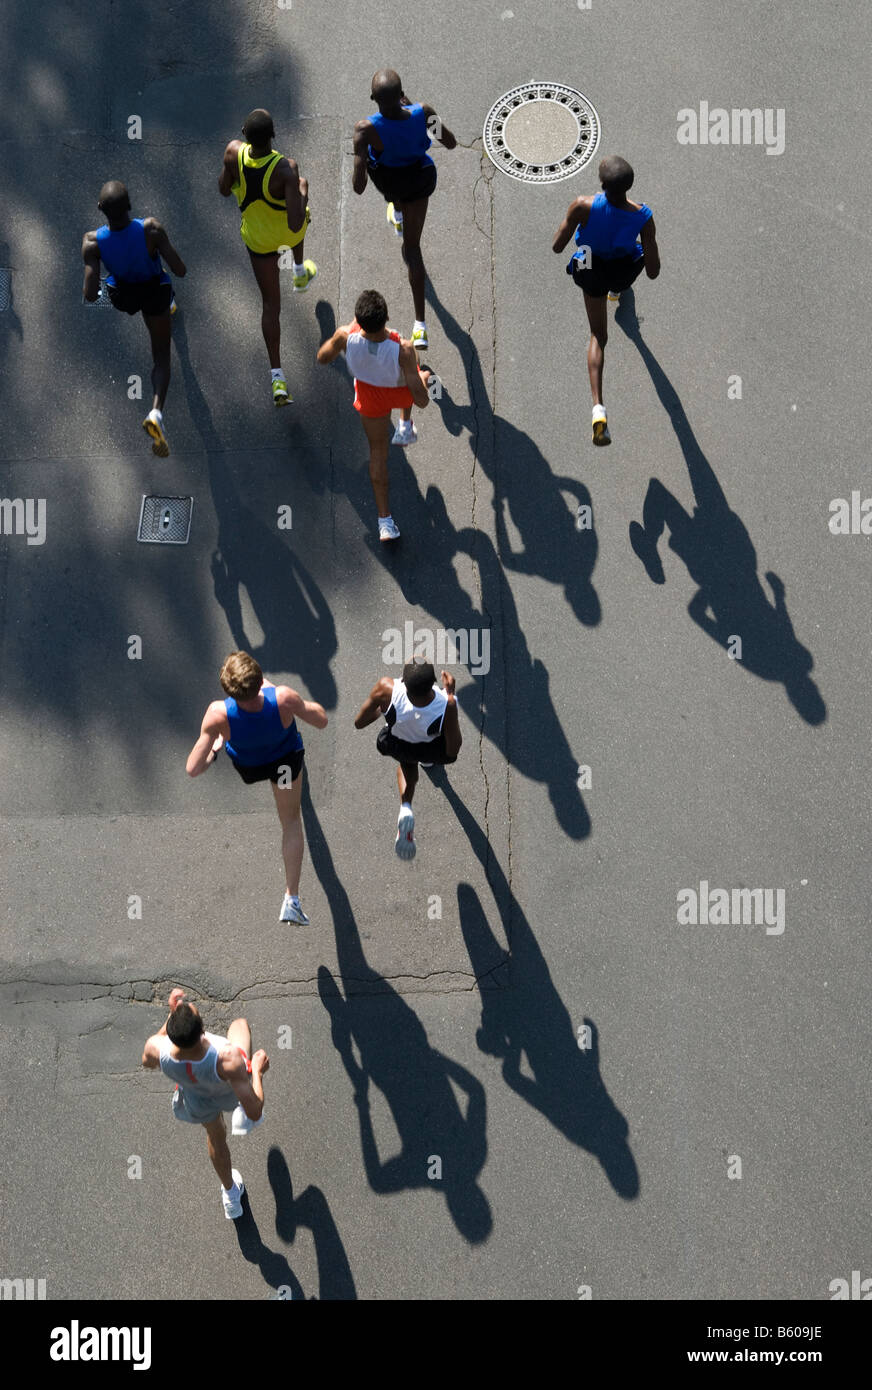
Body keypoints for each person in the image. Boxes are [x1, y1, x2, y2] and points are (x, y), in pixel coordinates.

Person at [186, 650, 328, 924]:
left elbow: (193, 768)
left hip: (251, 767)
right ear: (260, 678)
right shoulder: (283, 698)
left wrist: (214, 750)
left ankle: (293, 900)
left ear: (229, 689)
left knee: (287, 815)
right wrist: (278, 694)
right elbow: (321, 719)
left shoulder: (217, 714)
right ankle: (292, 899)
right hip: (284, 765)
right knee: (290, 821)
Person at [552, 156, 660, 445]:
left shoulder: (582, 205)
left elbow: (556, 246)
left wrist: (577, 225)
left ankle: (598, 409)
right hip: (621, 269)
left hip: (590, 269)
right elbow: (652, 271)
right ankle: (618, 291)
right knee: (625, 270)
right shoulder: (643, 216)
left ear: (601, 184)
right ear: (629, 185)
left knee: (598, 335)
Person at [141, 988, 269, 1221]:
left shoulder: (155, 1049)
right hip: (226, 1092)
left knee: (215, 1137)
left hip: (196, 1099)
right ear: (202, 1030)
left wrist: (172, 1016)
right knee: (239, 1025)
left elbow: (147, 1061)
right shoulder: (227, 1059)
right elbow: (256, 1110)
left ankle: (231, 1196)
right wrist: (258, 1071)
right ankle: (241, 1099)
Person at [218, 108, 316, 407]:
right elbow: (296, 222)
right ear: (273, 136)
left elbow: (223, 190)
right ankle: (299, 270)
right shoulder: (286, 169)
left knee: (271, 305)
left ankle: (277, 378)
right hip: (287, 237)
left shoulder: (233, 152)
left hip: (259, 242)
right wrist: (302, 189)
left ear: (245, 134)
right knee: (300, 227)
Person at [352, 69, 456, 350]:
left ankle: (396, 211)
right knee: (412, 249)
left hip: (390, 181)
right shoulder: (422, 112)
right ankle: (420, 326)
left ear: (373, 98)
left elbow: (359, 186)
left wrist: (359, 157)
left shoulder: (366, 128)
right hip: (419, 181)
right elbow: (450, 142)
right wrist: (412, 111)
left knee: (392, 189)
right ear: (401, 95)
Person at [317, 289, 431, 542]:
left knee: (378, 452)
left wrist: (342, 334)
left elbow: (322, 358)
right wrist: (424, 383)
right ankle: (404, 426)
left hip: (370, 397)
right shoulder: (403, 349)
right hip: (398, 392)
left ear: (359, 320)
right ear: (387, 317)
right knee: (419, 373)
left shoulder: (346, 336)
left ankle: (385, 522)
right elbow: (420, 398)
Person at [81, 181, 186, 457]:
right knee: (161, 358)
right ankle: (155, 413)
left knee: (140, 302)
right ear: (129, 206)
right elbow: (180, 269)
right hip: (155, 294)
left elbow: (91, 294)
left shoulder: (92, 242)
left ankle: (156, 306)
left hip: (126, 297)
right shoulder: (150, 229)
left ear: (100, 209)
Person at [354, 657, 461, 859]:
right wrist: (451, 696)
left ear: (403, 681)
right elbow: (454, 748)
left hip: (399, 744)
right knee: (425, 754)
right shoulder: (445, 704)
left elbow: (359, 722)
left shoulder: (386, 689)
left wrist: (384, 709)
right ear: (433, 685)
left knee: (407, 764)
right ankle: (428, 764)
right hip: (429, 748)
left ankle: (406, 807)